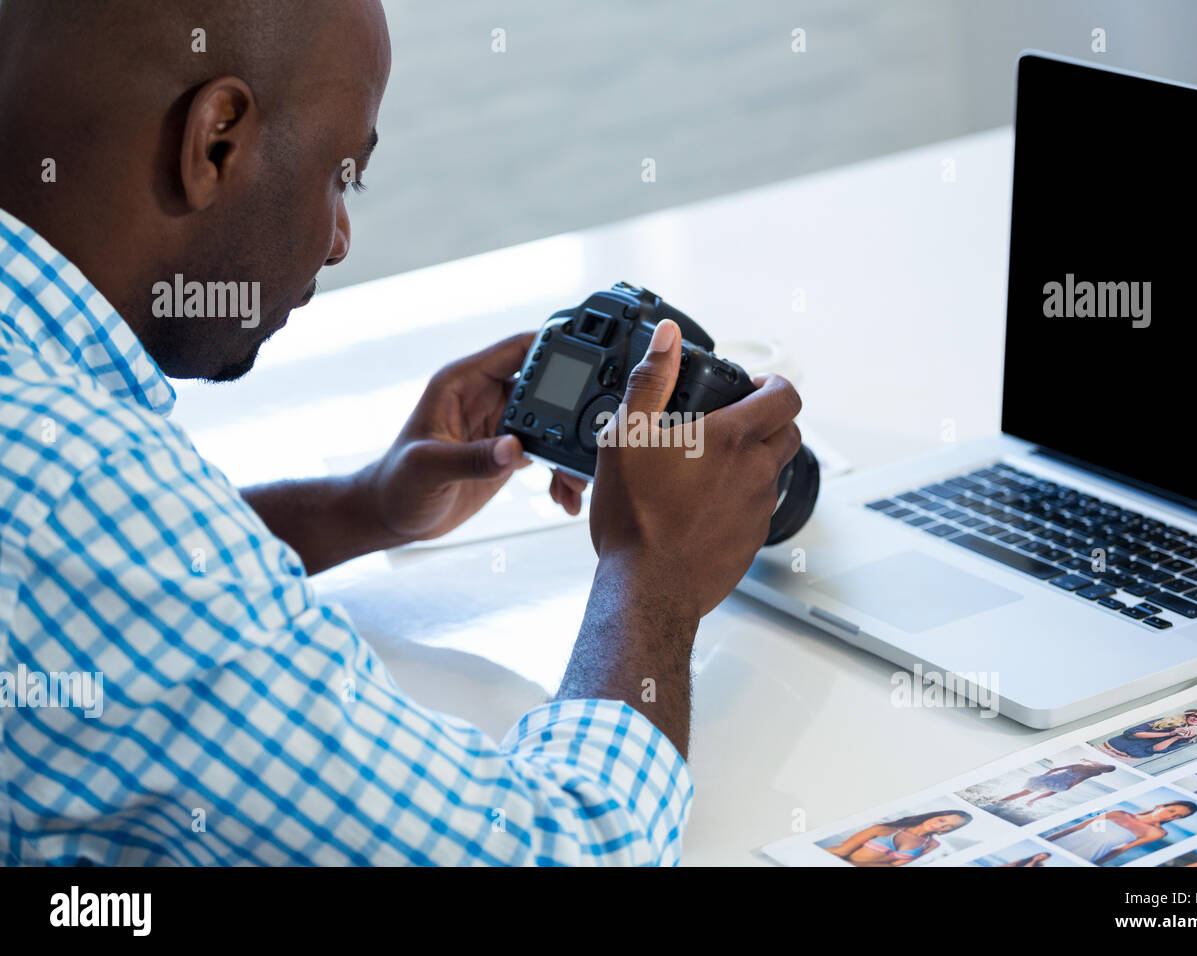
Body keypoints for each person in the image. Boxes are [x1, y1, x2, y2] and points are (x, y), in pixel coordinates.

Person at [0, 0, 803, 865]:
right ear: (217, 140)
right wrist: (652, 577)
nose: (340, 238)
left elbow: (88, 581)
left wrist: (360, 507)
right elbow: (559, 850)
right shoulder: (80, 492)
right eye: (341, 174)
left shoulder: (61, 467)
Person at [1046, 800, 1197, 865]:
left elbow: (1121, 850)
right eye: (1171, 810)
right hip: (1060, 844)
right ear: (1161, 806)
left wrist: (1095, 864)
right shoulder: (1118, 813)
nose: (1171, 816)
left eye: (1178, 816)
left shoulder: (1157, 832)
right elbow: (1076, 827)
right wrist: (1047, 840)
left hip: (1085, 857)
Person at [823, 811, 972, 867]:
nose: (941, 825)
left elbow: (894, 865)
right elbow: (840, 852)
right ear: (934, 816)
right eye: (941, 820)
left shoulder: (932, 844)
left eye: (949, 827)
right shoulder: (884, 829)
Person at [1095, 708, 1197, 761]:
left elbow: (1154, 749)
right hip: (1110, 747)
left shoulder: (1193, 739)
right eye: (1194, 715)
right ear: (1188, 715)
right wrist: (1171, 732)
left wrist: (1175, 737)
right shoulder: (1166, 721)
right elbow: (1132, 733)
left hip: (1128, 758)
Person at [996, 758, 1116, 807]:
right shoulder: (1096, 773)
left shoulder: (1079, 765)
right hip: (1060, 784)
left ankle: (1000, 801)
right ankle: (1031, 800)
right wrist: (1070, 787)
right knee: (1051, 793)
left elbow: (1054, 769)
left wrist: (1042, 777)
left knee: (1024, 793)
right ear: (1105, 771)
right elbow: (1080, 779)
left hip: (1051, 779)